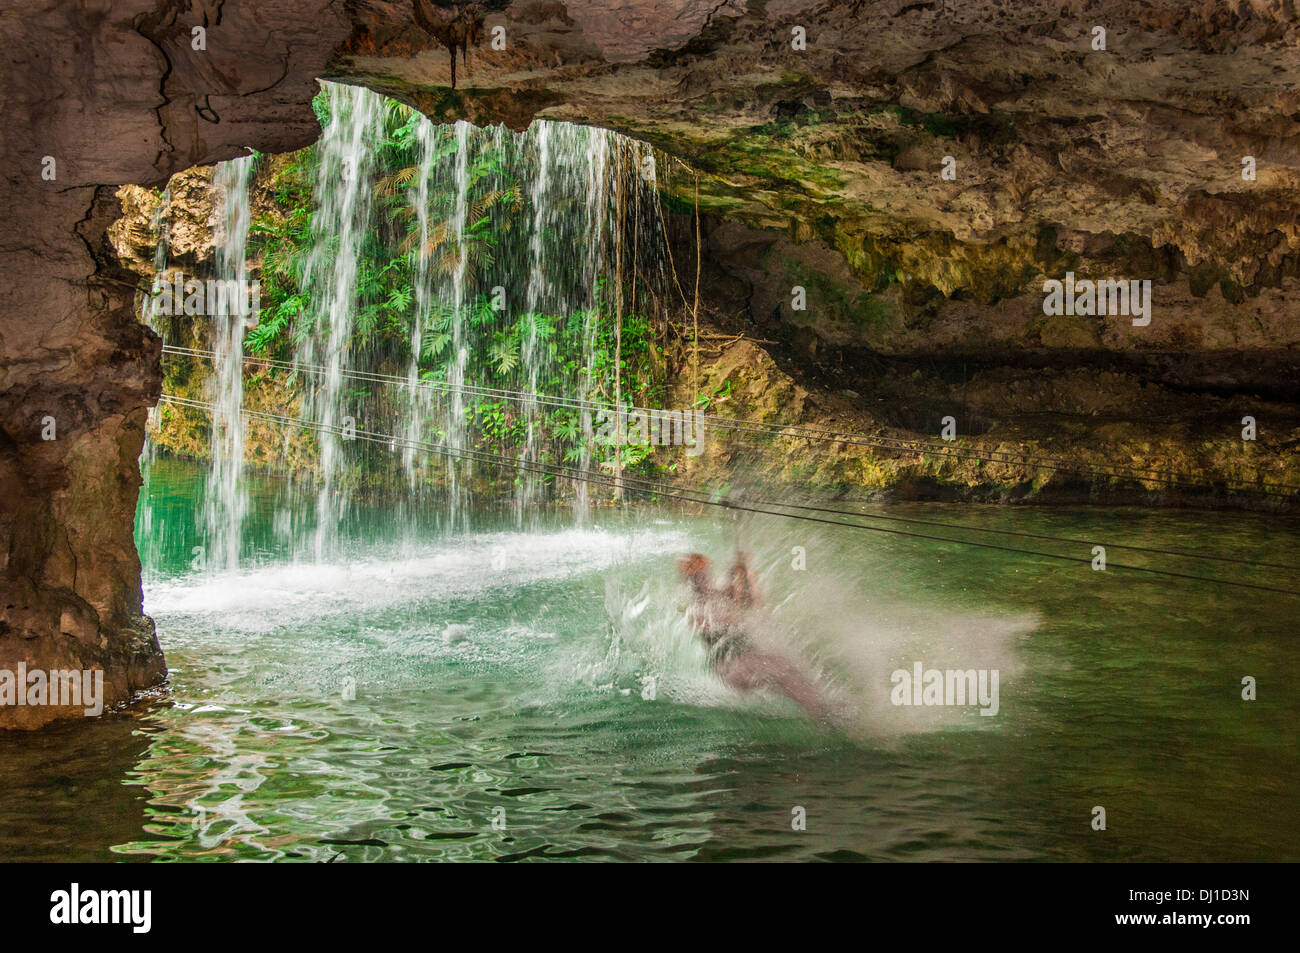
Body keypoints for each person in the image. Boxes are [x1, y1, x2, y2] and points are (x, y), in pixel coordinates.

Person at [678, 551, 831, 720]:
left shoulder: (720, 594)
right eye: (696, 577)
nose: (701, 580)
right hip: (729, 668)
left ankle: (823, 706)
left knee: (789, 667)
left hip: (747, 660)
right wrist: (736, 584)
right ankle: (822, 714)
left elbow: (754, 601)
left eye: (704, 574)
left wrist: (745, 573)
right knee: (781, 670)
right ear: (689, 582)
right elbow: (725, 616)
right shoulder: (695, 609)